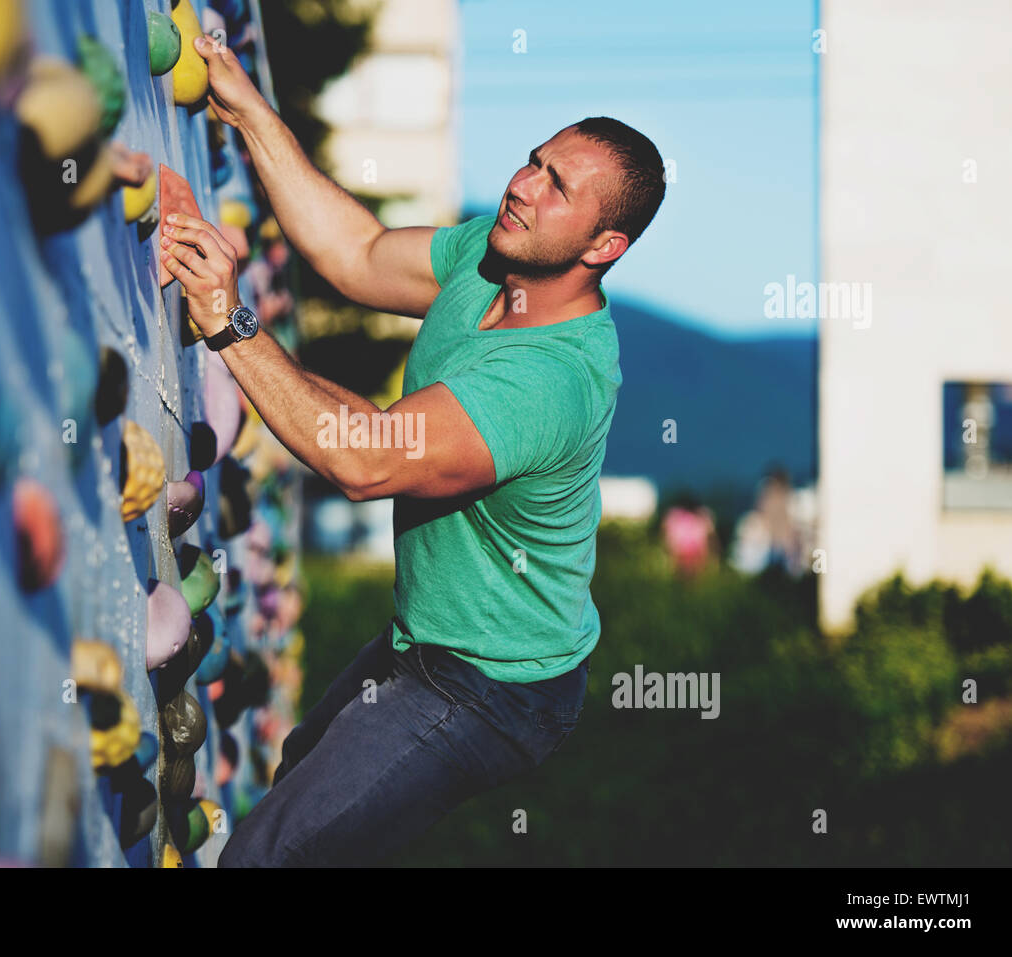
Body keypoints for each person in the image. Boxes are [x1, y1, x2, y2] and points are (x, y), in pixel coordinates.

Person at [161, 36, 666, 866]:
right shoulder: (495, 260)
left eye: (557, 186)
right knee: (298, 783)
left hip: (490, 689)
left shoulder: (552, 380)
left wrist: (227, 318)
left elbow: (364, 459)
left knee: (270, 855)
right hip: (420, 636)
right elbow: (353, 253)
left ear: (602, 246)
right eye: (534, 162)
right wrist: (250, 111)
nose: (523, 186)